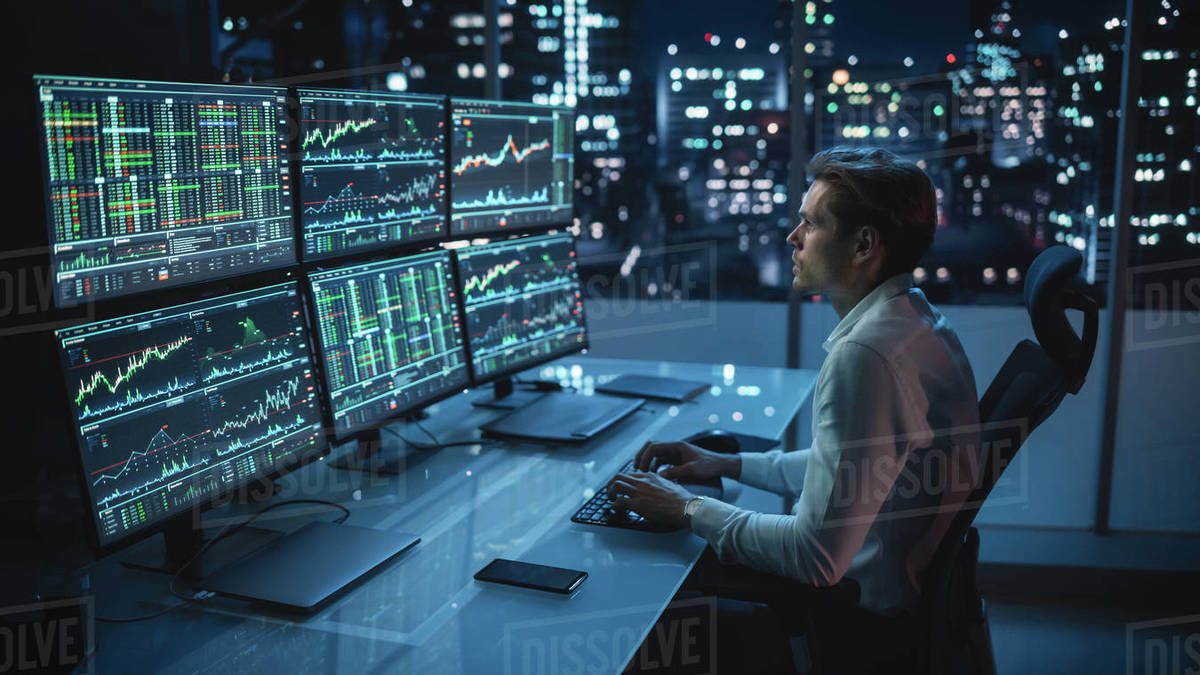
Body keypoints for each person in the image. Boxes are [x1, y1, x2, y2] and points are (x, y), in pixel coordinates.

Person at [608, 147, 981, 631]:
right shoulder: (917, 323)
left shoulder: (867, 356)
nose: (793, 237)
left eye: (810, 223)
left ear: (864, 244)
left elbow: (815, 557)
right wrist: (728, 465)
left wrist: (685, 506)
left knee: (638, 604)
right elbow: (859, 469)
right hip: (891, 589)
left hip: (852, 616)